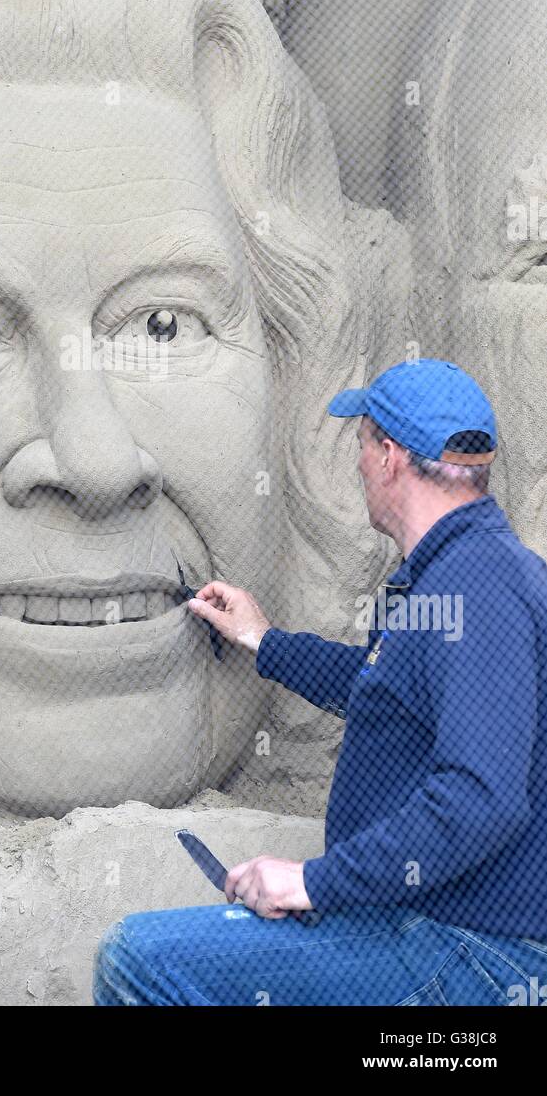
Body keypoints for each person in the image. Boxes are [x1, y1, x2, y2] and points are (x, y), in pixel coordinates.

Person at [93, 358, 547, 1006]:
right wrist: (263, 641)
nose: (358, 464)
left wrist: (314, 882)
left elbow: (481, 798)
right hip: (437, 930)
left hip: (471, 951)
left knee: (136, 960)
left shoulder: (476, 588)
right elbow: (380, 687)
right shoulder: (464, 574)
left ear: (388, 456)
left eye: (360, 444)